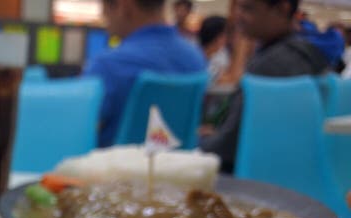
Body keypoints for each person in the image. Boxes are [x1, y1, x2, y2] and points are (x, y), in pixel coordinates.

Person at [199, 0, 328, 172]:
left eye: (248, 8)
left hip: (251, 179)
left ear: (283, 8)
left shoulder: (270, 64)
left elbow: (229, 146)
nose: (238, 16)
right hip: (294, 174)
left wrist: (196, 144)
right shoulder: (311, 57)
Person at [85, 0, 206, 147]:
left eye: (104, 7)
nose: (103, 15)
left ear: (124, 6)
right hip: (175, 168)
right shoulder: (195, 59)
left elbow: (76, 128)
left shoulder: (108, 66)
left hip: (115, 167)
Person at [199, 15, 230, 83]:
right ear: (218, 36)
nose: (228, 38)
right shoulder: (194, 55)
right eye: (226, 33)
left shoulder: (223, 54)